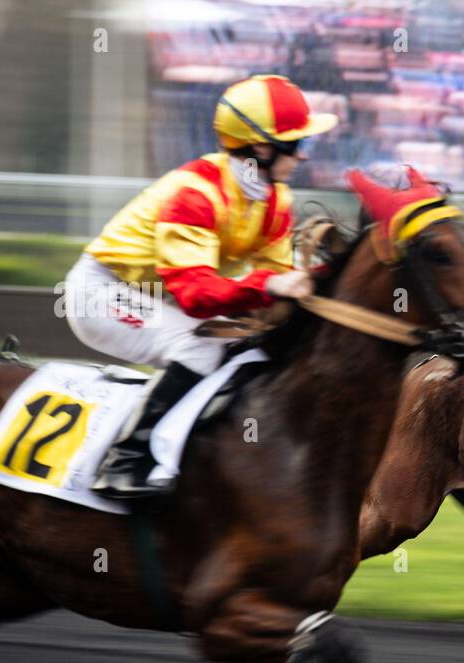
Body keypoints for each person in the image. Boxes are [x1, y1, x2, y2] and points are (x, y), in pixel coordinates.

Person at [64, 74, 337, 498]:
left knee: (257, 348)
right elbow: (197, 295)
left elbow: (271, 291)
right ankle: (123, 461)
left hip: (159, 295)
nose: (302, 156)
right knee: (199, 347)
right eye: (297, 144)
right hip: (100, 292)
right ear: (261, 148)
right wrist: (273, 285)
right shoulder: (195, 195)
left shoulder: (275, 202)